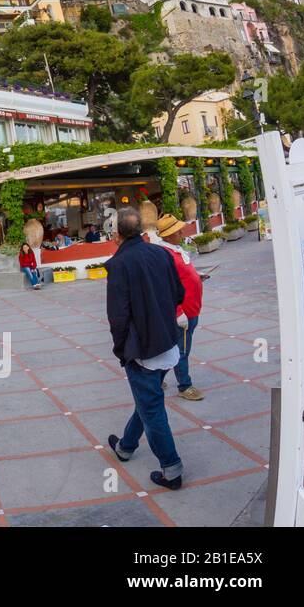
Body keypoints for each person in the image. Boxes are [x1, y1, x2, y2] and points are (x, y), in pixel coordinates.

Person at [105, 207, 186, 491]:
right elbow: (179, 293)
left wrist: (121, 350)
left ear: (116, 234)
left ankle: (171, 468)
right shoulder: (161, 253)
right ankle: (126, 447)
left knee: (152, 408)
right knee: (148, 399)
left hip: (141, 350)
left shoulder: (118, 264)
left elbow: (117, 317)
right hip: (167, 340)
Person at [152, 214, 205, 402]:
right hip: (183, 312)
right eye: (178, 231)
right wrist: (178, 312)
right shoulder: (165, 255)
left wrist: (197, 277)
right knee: (181, 351)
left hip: (192, 308)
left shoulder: (174, 249)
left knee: (175, 350)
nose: (182, 232)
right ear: (168, 235)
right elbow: (165, 287)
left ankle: (155, 380)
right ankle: (185, 385)